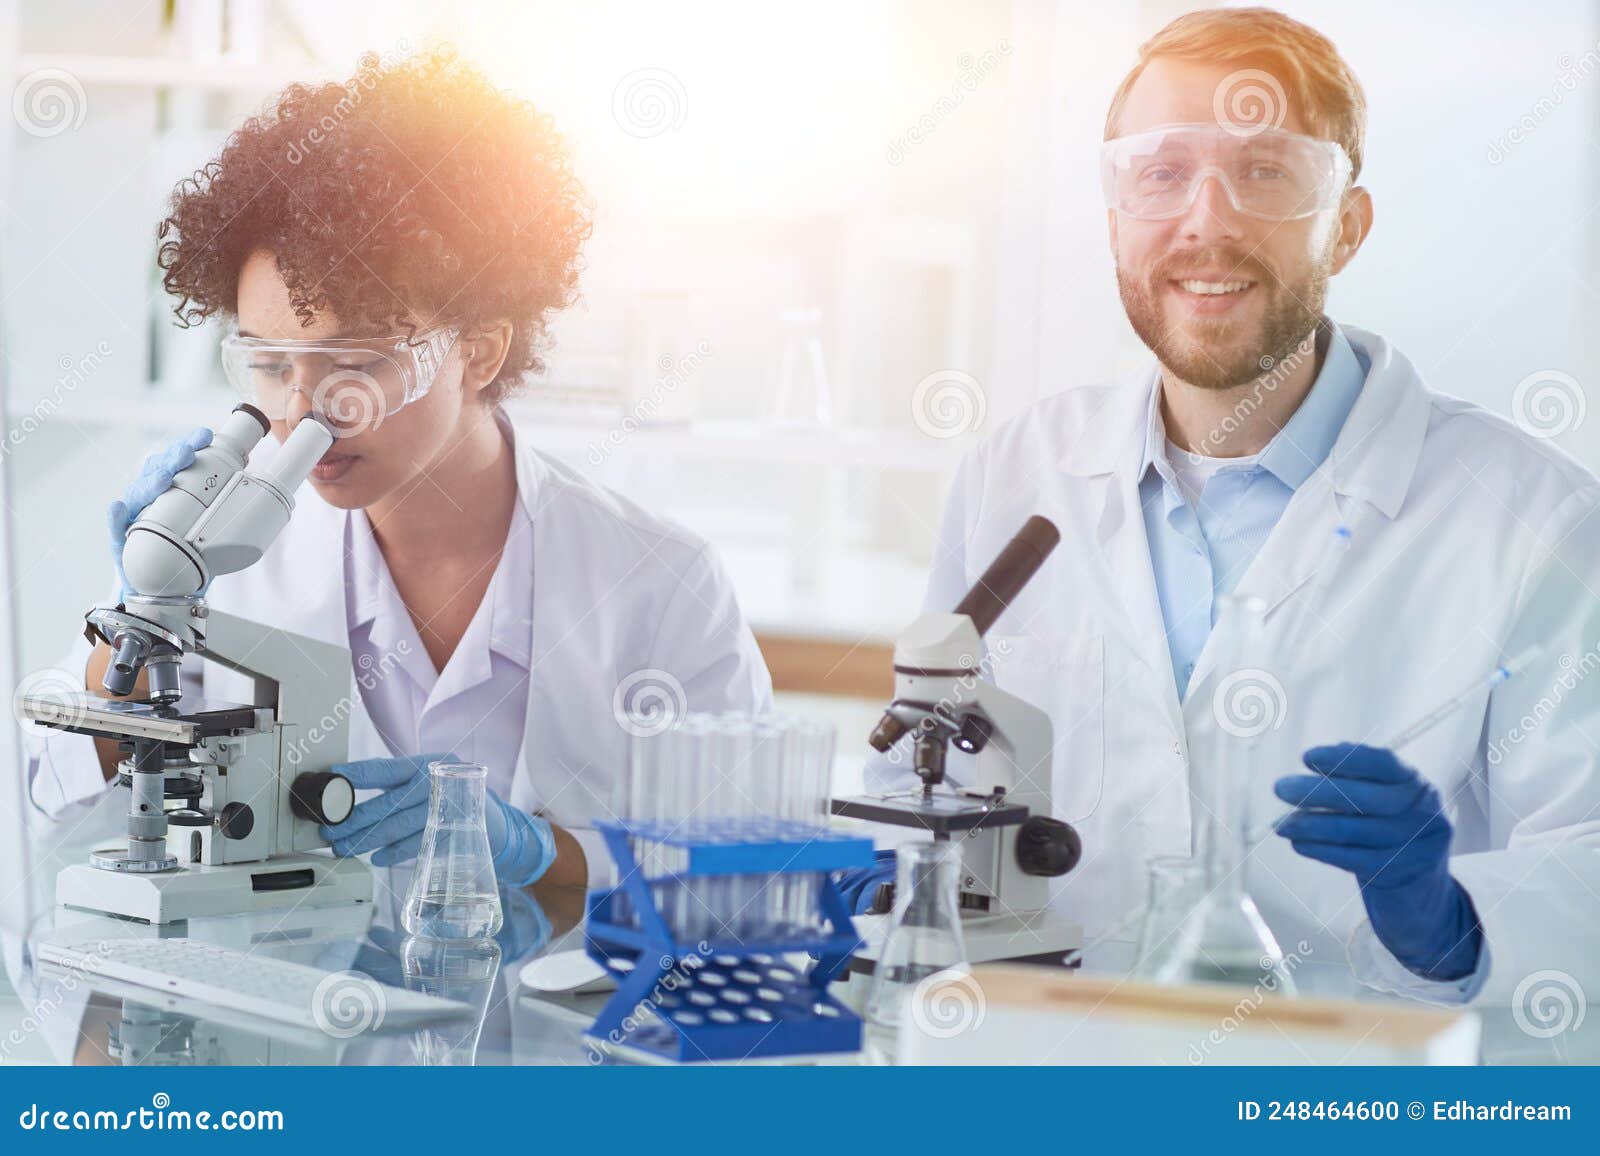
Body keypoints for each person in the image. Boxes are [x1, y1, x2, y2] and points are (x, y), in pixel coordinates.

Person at [854, 8, 1600, 1005]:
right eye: (1162, 173)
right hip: (1049, 1054)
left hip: (1346, 1077)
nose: (1207, 222)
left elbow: (1588, 855)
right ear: (1114, 220)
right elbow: (929, 765)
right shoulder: (1018, 469)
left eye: (1263, 171)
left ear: (1346, 226)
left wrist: (1448, 914)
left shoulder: (1535, 519)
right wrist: (881, 875)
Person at [27, 49, 771, 894]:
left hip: (554, 987)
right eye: (269, 363)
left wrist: (545, 854)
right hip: (283, 977)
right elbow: (56, 801)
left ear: (479, 352)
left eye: (354, 364)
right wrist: (139, 614)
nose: (301, 412)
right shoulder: (229, 555)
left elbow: (744, 870)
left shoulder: (661, 583)